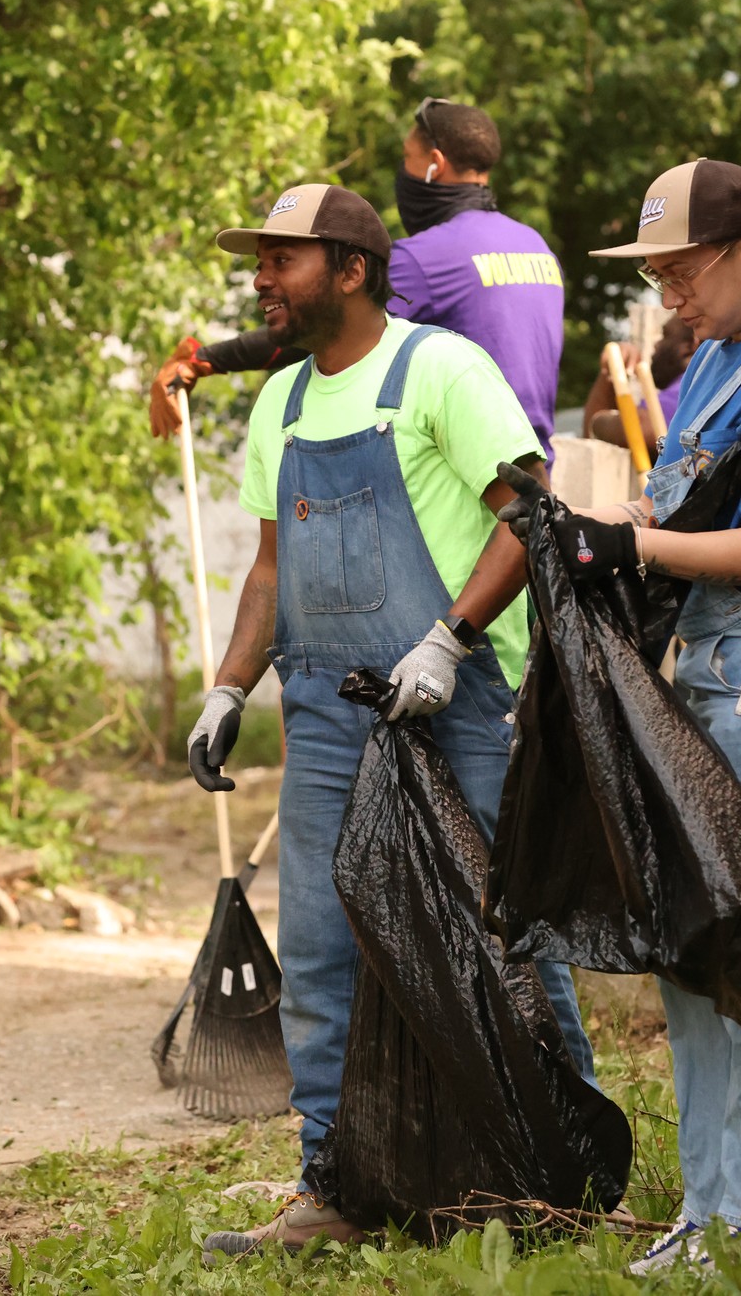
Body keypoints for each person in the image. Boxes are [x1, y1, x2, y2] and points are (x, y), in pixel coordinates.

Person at [182, 181, 594, 1259]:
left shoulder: (440, 371)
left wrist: (448, 641)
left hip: (457, 700)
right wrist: (229, 688)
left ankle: (564, 1171)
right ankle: (334, 1182)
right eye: (259, 262)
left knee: (501, 931)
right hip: (327, 711)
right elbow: (270, 569)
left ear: (352, 269)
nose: (260, 281)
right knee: (324, 947)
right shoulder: (280, 402)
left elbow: (529, 513)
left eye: (281, 260)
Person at [504, 158, 741, 1271]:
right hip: (708, 679)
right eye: (657, 276)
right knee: (695, 957)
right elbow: (677, 501)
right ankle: (711, 1211)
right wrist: (598, 522)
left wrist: (629, 544)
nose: (669, 297)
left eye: (681, 271)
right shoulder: (717, 353)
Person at [148, 100, 568, 459]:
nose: (402, 171)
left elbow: (322, 321)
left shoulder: (428, 258)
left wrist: (204, 359)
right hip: (534, 478)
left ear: (435, 165)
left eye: (407, 158)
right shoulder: (536, 247)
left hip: (471, 483)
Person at [582, 313, 695, 446]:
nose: (656, 344)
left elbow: (642, 427)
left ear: (691, 345)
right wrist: (612, 370)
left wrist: (596, 421)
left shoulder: (692, 384)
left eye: (666, 335)